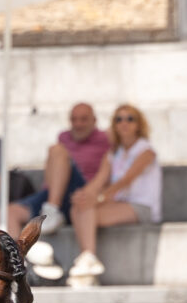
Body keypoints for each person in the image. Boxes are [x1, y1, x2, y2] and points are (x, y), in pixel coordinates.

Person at [8, 103, 110, 280]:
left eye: (84, 119)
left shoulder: (106, 139)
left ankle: (52, 209)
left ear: (94, 120)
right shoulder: (64, 137)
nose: (78, 124)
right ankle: (16, 261)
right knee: (10, 212)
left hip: (81, 190)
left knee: (56, 151)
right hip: (53, 192)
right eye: (74, 119)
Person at [66, 103, 162, 287]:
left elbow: (125, 181)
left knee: (88, 208)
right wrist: (83, 195)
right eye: (119, 119)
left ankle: (88, 259)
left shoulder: (146, 151)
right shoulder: (113, 154)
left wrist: (99, 198)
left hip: (142, 207)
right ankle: (88, 259)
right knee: (80, 206)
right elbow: (98, 181)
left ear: (138, 124)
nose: (124, 123)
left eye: (130, 118)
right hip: (120, 205)